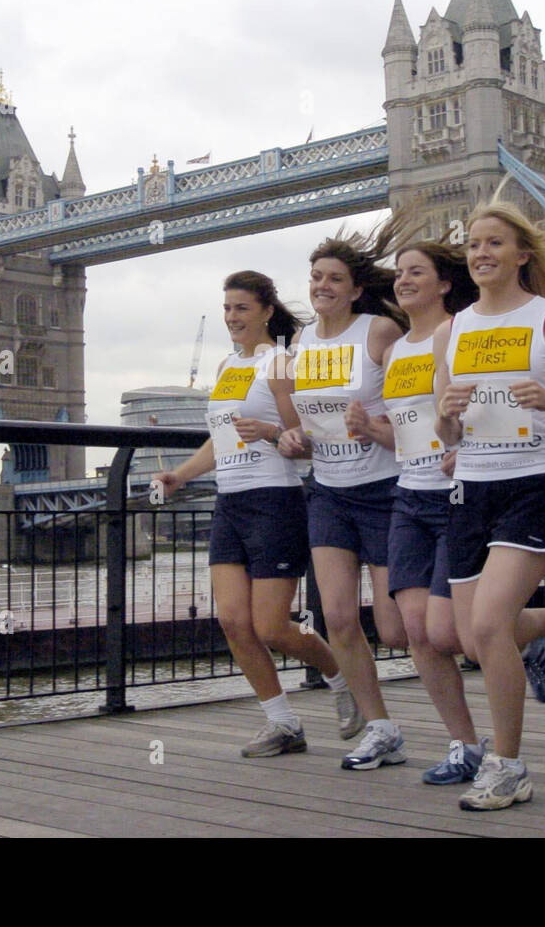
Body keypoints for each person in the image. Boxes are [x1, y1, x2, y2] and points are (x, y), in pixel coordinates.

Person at [152, 271, 361, 757]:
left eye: (241, 308)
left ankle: (340, 677)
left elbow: (303, 437)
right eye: (227, 309)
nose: (231, 318)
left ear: (266, 311)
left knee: (271, 626)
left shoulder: (282, 364)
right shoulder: (228, 366)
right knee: (232, 622)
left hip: (276, 501)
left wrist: (269, 432)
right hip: (232, 502)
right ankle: (283, 724)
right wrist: (179, 476)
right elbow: (221, 441)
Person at [433, 199, 545, 810]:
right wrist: (445, 418)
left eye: (494, 243)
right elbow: (450, 437)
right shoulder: (453, 329)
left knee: (491, 623)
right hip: (471, 486)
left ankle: (508, 765)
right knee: (474, 639)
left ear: (523, 253)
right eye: (473, 244)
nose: (481, 254)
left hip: (533, 482)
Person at [277, 218, 411, 770]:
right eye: (315, 278)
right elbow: (303, 433)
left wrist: (377, 424)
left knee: (399, 628)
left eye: (333, 279)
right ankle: (381, 728)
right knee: (336, 616)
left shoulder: (378, 332)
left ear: (356, 289)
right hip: (328, 491)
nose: (321, 287)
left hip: (383, 488)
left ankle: (521, 639)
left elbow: (415, 408)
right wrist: (291, 440)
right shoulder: (300, 344)